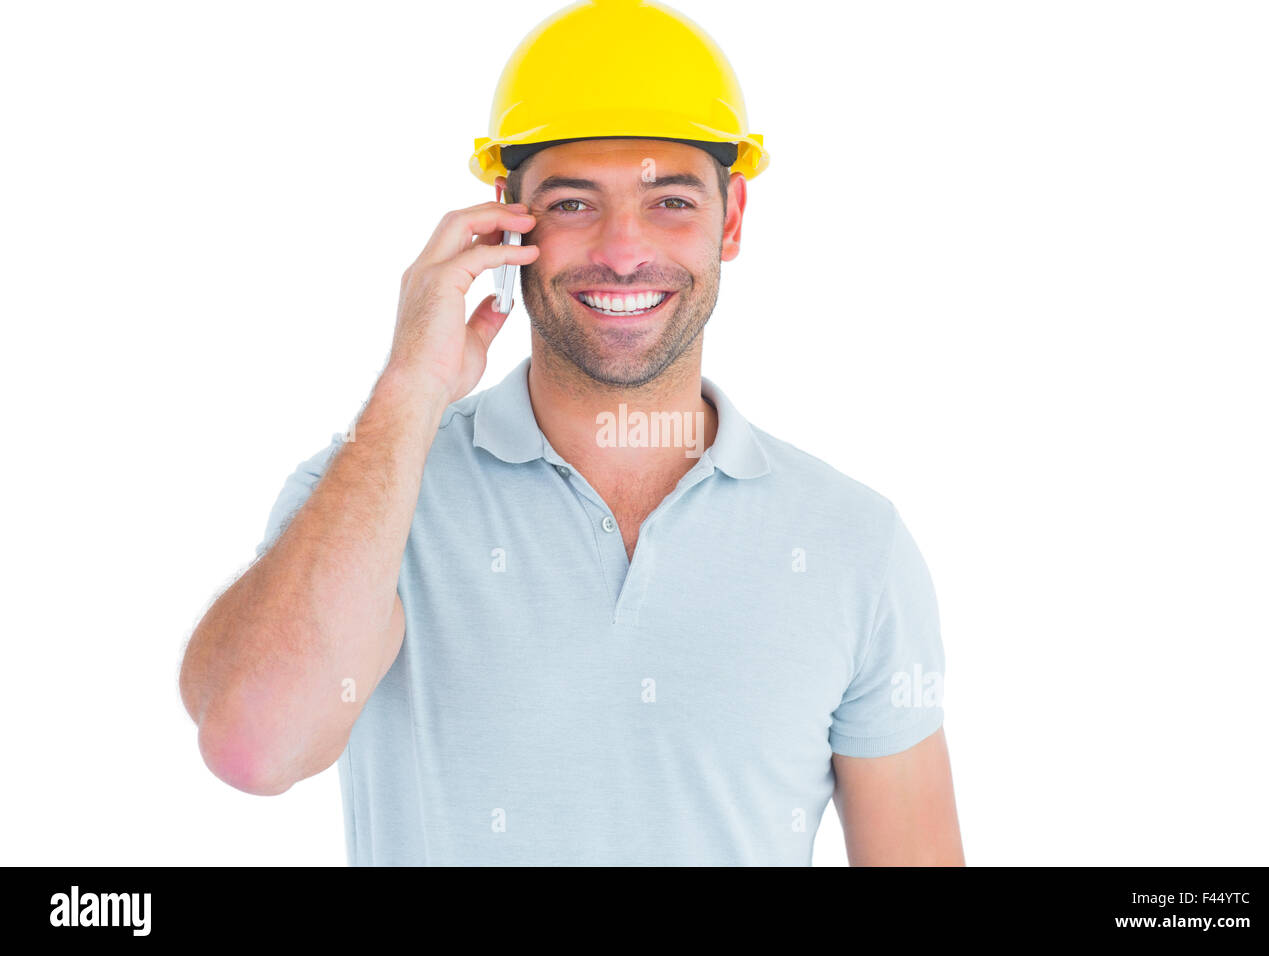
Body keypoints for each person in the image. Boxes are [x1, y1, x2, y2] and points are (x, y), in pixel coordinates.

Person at [179, 0, 963, 866]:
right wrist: (411, 387)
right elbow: (253, 747)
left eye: (669, 200)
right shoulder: (375, 490)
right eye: (575, 204)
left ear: (731, 220)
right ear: (506, 223)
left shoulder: (852, 542)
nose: (624, 251)